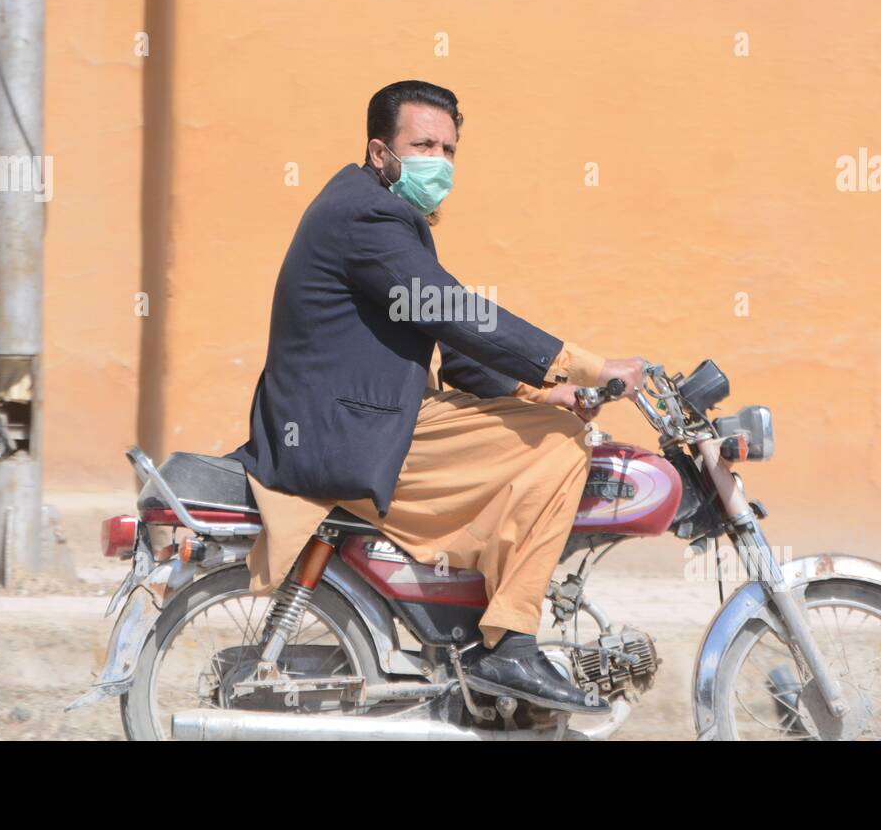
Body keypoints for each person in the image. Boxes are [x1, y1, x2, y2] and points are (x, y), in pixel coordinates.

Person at [227, 80, 645, 713]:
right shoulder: (367, 217)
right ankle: (510, 643)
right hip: (346, 433)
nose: (440, 163)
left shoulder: (382, 217)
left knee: (545, 422)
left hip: (357, 418)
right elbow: (452, 312)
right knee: (560, 448)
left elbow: (447, 346)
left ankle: (479, 628)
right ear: (379, 153)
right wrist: (582, 365)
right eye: (423, 145)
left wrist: (546, 390)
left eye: (449, 149)